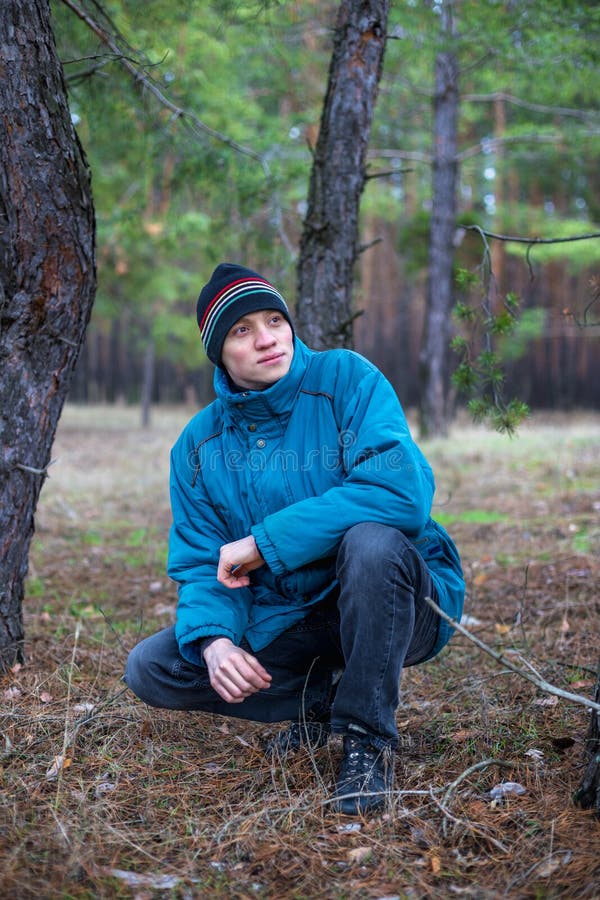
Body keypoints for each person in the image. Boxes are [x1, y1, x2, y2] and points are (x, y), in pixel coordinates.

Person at [125, 262, 465, 816]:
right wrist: (215, 642)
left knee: (371, 543)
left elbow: (402, 493)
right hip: (292, 616)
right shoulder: (198, 446)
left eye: (274, 320)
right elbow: (204, 564)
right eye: (242, 330)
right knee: (155, 666)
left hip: (397, 599)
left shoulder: (346, 379)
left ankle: (367, 739)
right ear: (219, 354)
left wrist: (264, 544)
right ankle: (318, 698)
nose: (266, 339)